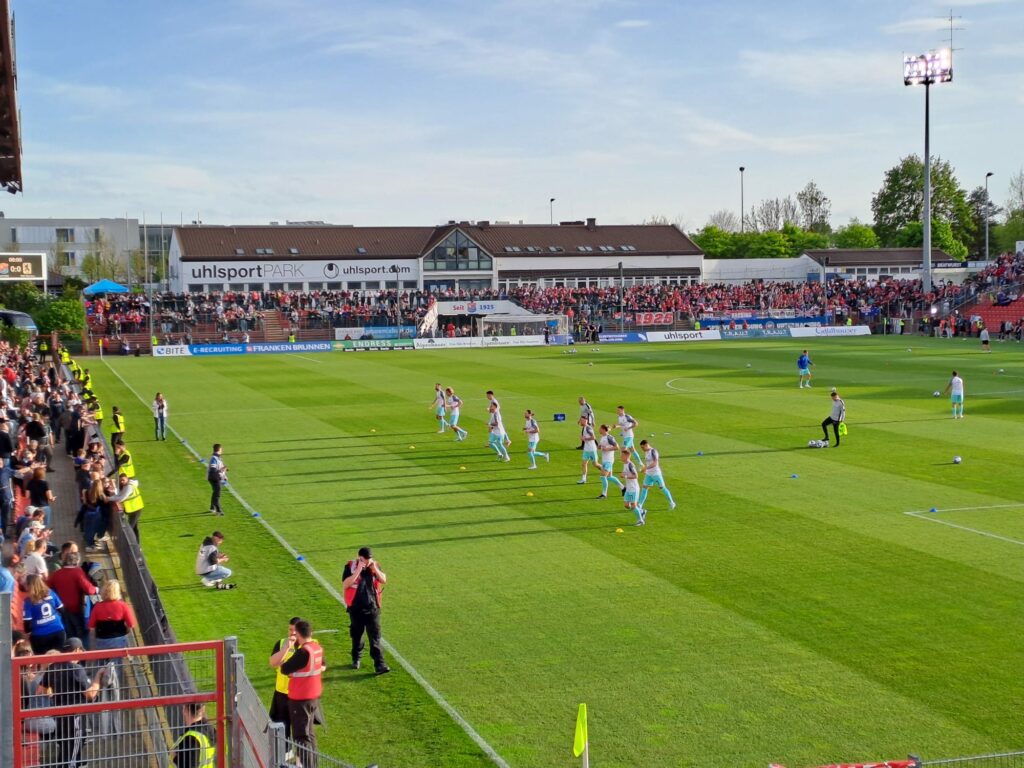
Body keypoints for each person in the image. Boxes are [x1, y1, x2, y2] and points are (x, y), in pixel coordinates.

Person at [38, 637, 105, 768]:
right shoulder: (77, 668)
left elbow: (40, 690)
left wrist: (56, 691)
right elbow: (90, 694)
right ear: (76, 650)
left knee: (64, 747)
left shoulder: (52, 667)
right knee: (74, 752)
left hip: (59, 715)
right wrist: (98, 678)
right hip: (75, 717)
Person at [276, 619, 326, 768]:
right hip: (312, 698)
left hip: (300, 699)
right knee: (309, 734)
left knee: (301, 737)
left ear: (298, 634)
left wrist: (289, 647)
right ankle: (313, 764)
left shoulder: (303, 652)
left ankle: (306, 766)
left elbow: (284, 668)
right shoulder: (316, 648)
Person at [342, 547, 390, 675]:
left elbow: (384, 580)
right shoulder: (350, 566)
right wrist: (357, 571)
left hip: (372, 607)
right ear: (359, 557)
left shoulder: (375, 565)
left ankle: (380, 665)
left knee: (375, 637)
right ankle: (356, 658)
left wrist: (375, 570)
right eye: (365, 559)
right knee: (357, 635)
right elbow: (345, 584)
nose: (368, 561)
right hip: (356, 608)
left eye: (369, 559)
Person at [47, 551, 97, 645]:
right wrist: (97, 589)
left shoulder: (57, 574)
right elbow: (89, 589)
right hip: (76, 609)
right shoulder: (77, 572)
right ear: (77, 561)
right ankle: (83, 654)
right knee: (82, 633)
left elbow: (47, 587)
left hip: (61, 609)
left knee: (68, 633)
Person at [268, 617, 302, 739]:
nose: (292, 633)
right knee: (282, 729)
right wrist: (286, 649)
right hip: (282, 694)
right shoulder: (282, 643)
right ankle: (285, 754)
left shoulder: (308, 646)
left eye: (295, 630)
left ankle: (301, 756)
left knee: (301, 731)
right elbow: (272, 663)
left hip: (300, 696)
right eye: (290, 629)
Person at [23, 573, 67, 653]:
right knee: (58, 659)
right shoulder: (51, 593)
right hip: (58, 631)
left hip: (39, 636)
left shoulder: (28, 601)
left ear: (29, 585)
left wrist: (27, 634)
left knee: (43, 662)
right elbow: (62, 610)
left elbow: (27, 622)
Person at [169, 702, 215, 768]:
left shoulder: (191, 739)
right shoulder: (211, 730)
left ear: (184, 710)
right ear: (203, 709)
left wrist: (175, 757)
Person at [637, 439, 676, 512]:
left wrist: (646, 468)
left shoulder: (653, 451)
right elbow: (649, 462)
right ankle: (640, 504)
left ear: (646, 445)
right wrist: (646, 469)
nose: (642, 449)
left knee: (662, 487)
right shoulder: (646, 452)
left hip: (656, 473)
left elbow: (655, 463)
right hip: (649, 474)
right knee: (644, 488)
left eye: (642, 447)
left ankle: (672, 502)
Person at [596, 425, 625, 499]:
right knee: (609, 477)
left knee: (603, 476)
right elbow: (600, 447)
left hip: (609, 460)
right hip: (605, 460)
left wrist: (607, 449)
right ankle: (623, 488)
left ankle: (604, 494)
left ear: (603, 429)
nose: (599, 430)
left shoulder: (609, 437)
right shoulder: (602, 437)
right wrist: (599, 447)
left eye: (600, 428)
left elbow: (617, 447)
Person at [620, 449, 645, 526]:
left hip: (634, 488)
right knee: (626, 505)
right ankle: (641, 511)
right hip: (629, 488)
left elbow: (635, 476)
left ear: (627, 456)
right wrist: (623, 474)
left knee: (633, 505)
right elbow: (625, 473)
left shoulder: (630, 465)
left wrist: (625, 476)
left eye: (622, 455)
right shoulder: (625, 464)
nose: (621, 457)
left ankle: (640, 520)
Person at [207, 444, 227, 515]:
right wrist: (222, 470)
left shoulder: (218, 458)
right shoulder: (214, 458)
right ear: (219, 449)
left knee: (215, 493)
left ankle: (212, 508)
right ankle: (218, 510)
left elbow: (219, 468)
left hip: (215, 477)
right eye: (221, 449)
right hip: (214, 478)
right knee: (217, 494)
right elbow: (213, 469)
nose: (222, 450)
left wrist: (224, 474)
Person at [576, 419, 598, 484]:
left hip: (592, 449)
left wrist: (584, 439)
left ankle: (606, 472)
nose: (581, 422)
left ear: (586, 421)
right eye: (580, 421)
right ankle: (583, 479)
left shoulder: (588, 428)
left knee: (595, 464)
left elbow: (594, 437)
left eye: (582, 421)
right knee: (584, 464)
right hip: (586, 449)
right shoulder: (584, 427)